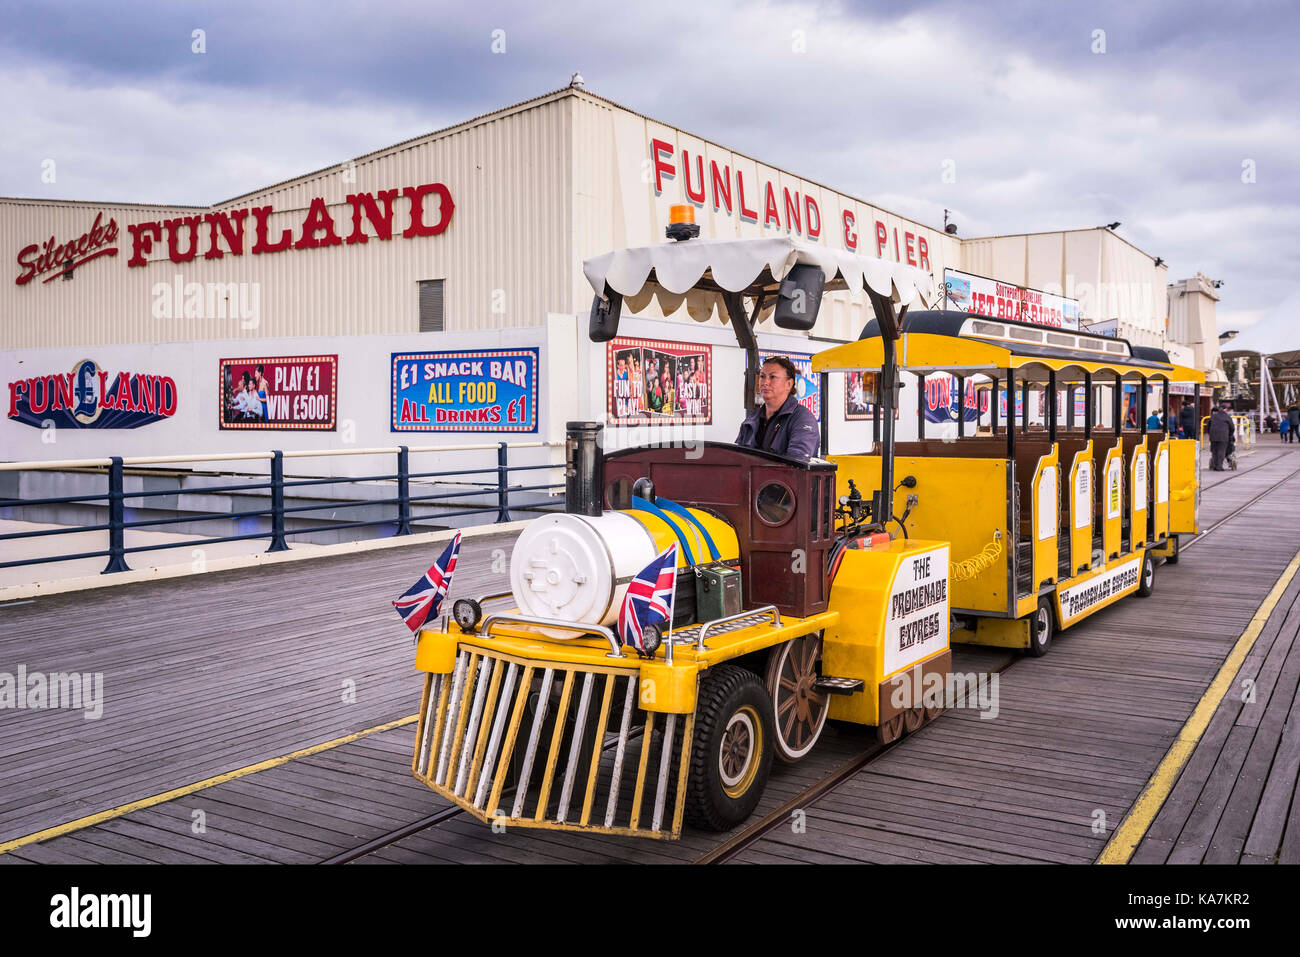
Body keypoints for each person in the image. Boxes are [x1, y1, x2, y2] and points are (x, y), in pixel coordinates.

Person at [735, 356, 819, 461]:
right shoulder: (751, 420)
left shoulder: (802, 419)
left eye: (772, 377)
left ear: (789, 384)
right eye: (762, 376)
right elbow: (736, 459)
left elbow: (797, 465)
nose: (765, 382)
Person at [1208, 403, 1233, 470]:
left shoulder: (1213, 416)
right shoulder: (1227, 417)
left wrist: (1210, 433)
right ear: (1225, 409)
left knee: (1214, 451)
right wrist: (1230, 435)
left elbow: (1208, 425)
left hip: (1213, 436)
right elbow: (1232, 427)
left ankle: (1214, 466)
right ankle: (1219, 466)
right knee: (1221, 451)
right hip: (1223, 436)